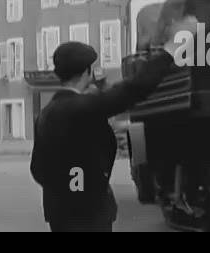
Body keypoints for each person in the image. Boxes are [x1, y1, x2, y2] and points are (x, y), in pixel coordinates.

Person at [30, 17, 197, 232]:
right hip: (85, 213)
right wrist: (173, 47)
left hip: (61, 213)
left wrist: (65, 188)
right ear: (87, 73)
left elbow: (38, 169)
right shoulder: (79, 108)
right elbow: (134, 89)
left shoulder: (48, 112)